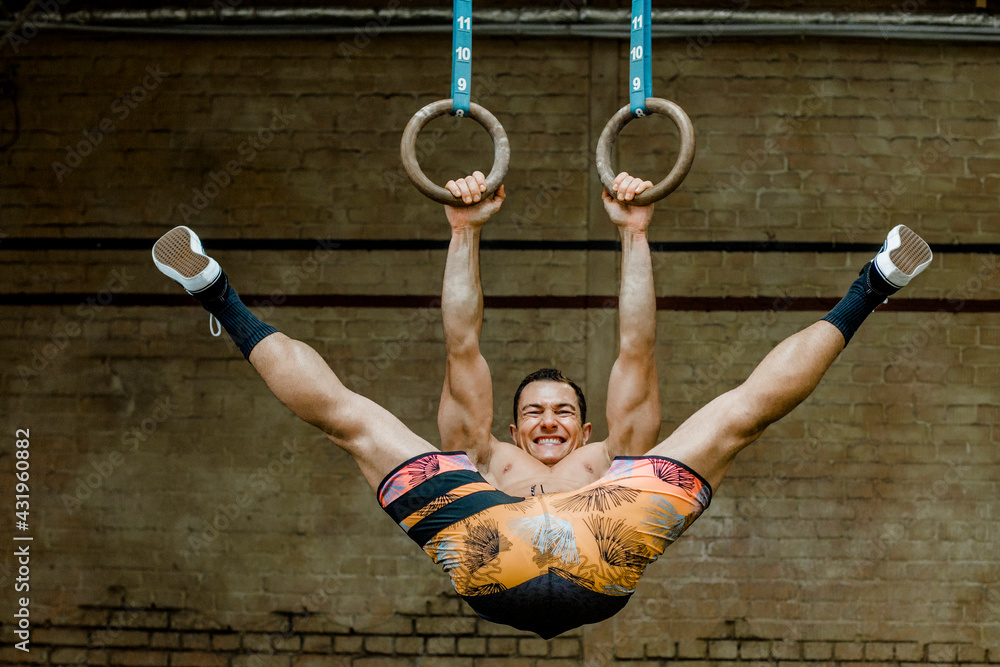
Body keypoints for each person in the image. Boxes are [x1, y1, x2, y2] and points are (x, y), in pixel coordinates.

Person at [152, 171, 932, 638]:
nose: (549, 421)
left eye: (562, 412)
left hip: (591, 545)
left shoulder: (611, 458)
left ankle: (875, 283)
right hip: (498, 549)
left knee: (740, 414)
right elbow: (463, 344)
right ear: (511, 425)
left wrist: (634, 234)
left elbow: (635, 347)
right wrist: (463, 230)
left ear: (587, 427)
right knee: (350, 418)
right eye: (533, 412)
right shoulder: (480, 456)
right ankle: (216, 292)